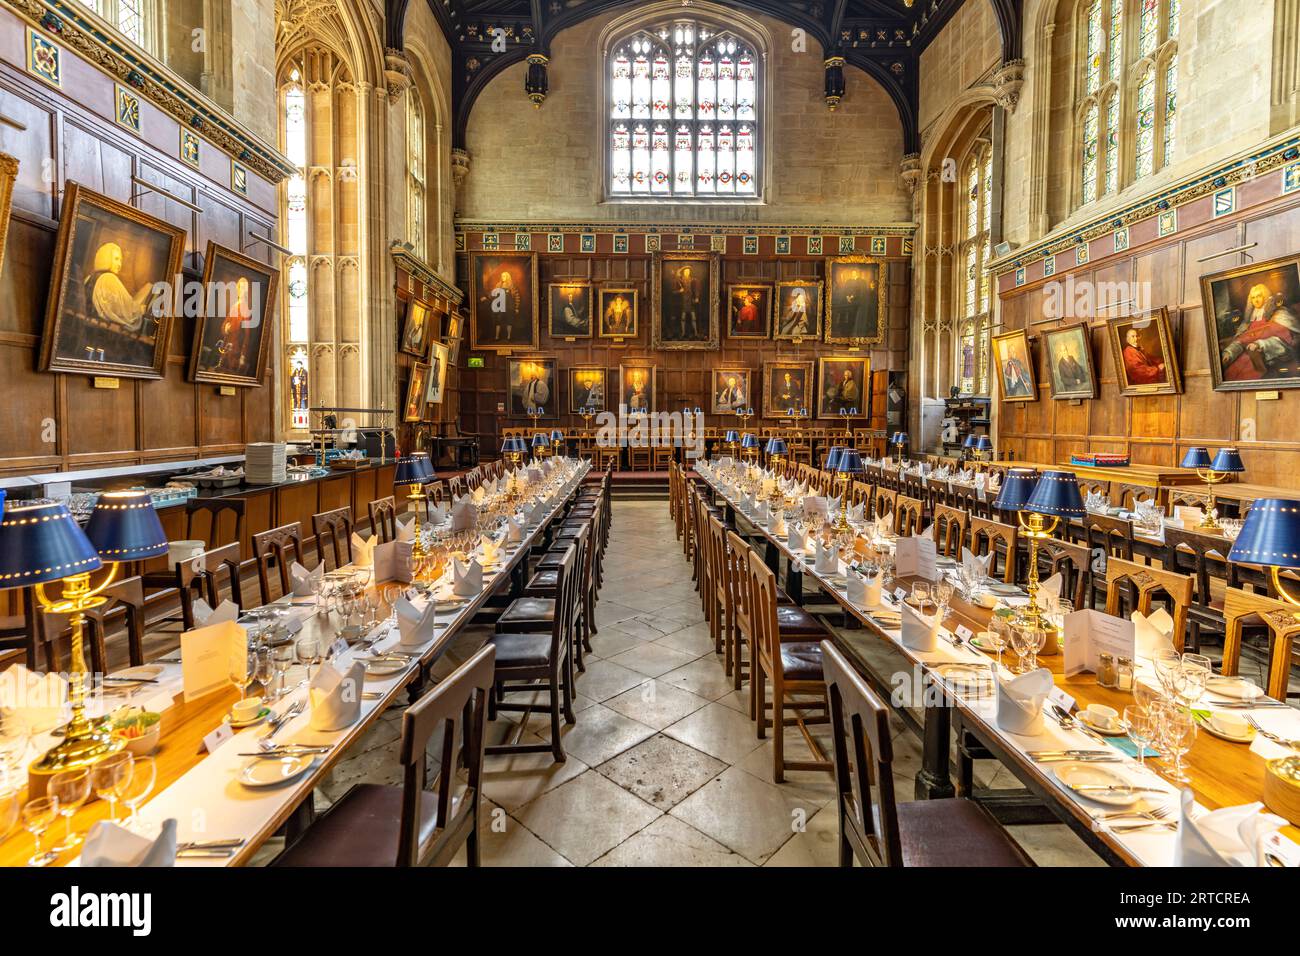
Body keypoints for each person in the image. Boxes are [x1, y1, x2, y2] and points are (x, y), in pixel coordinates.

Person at [1219, 283, 1300, 381]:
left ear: (1265, 296)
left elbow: (1285, 341)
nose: (1256, 300)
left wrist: (1260, 344)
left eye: (1259, 296)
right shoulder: (1249, 320)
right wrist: (1230, 352)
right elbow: (1243, 338)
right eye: (1253, 298)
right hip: (1246, 355)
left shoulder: (1278, 315)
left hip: (1266, 357)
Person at [85, 242, 154, 332]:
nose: (119, 264)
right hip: (101, 330)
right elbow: (125, 313)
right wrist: (140, 309)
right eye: (116, 259)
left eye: (121, 260)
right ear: (106, 258)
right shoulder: (108, 278)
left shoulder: (91, 277)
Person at [210, 276, 253, 374]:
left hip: (236, 346)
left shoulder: (244, 307)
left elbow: (246, 333)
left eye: (243, 288)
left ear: (246, 290)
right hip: (228, 342)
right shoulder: (235, 305)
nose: (240, 290)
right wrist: (226, 327)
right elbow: (226, 321)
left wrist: (243, 354)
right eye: (239, 287)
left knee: (230, 370)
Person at [481, 267, 522, 342]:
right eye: (502, 276)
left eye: (504, 276)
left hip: (509, 307)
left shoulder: (512, 286)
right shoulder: (498, 285)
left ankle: (509, 337)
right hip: (500, 306)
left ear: (507, 277)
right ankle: (497, 337)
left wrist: (516, 308)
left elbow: (517, 297)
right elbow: (492, 294)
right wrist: (486, 297)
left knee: (509, 321)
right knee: (498, 321)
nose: (502, 277)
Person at [670, 266, 701, 339]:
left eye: (688, 271)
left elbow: (696, 289)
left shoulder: (693, 280)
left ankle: (696, 332)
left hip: (691, 300)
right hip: (683, 300)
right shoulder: (680, 280)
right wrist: (679, 291)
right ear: (683, 273)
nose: (687, 273)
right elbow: (673, 291)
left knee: (693, 317)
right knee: (683, 318)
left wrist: (696, 297)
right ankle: (683, 333)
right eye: (685, 271)